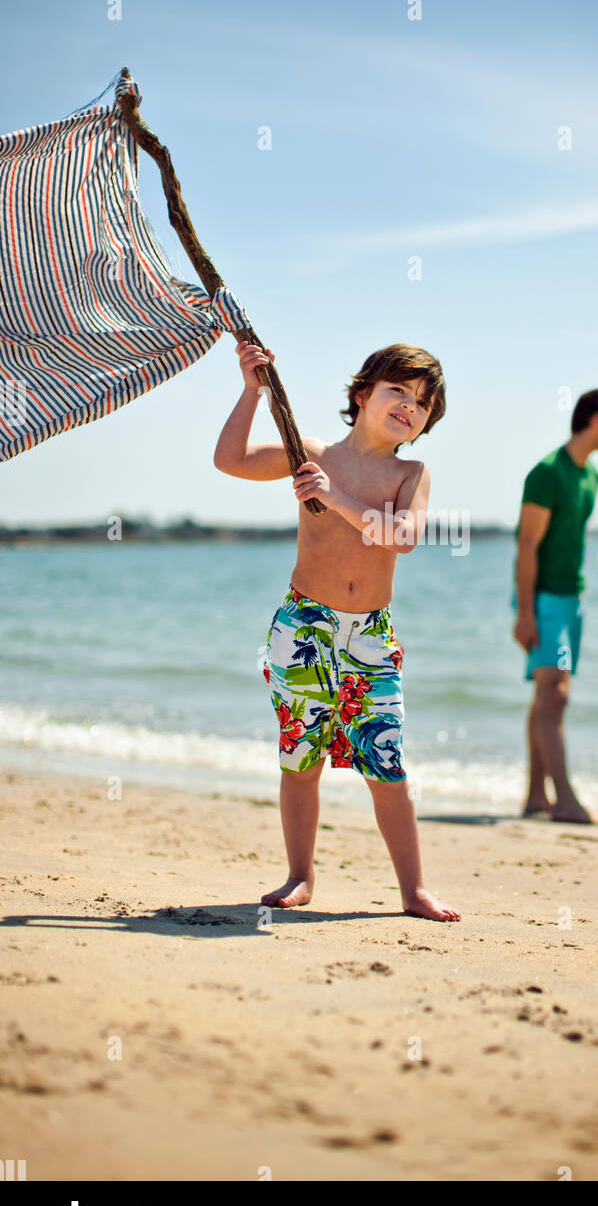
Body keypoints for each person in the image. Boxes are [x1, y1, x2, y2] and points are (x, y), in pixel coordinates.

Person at [214, 340, 460, 921]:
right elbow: (231, 459)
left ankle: (413, 890)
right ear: (362, 393)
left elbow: (401, 536)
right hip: (305, 624)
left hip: (370, 636)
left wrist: (331, 494)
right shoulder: (312, 451)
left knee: (388, 762)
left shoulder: (411, 473)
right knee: (301, 758)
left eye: (422, 403)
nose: (408, 405)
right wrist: (252, 392)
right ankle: (300, 876)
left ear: (425, 424)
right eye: (397, 390)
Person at [513, 388, 598, 822]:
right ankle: (564, 799)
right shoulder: (546, 472)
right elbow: (526, 545)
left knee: (549, 697)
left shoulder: (591, 476)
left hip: (572, 597)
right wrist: (524, 613)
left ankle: (536, 797)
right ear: (597, 419)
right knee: (554, 694)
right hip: (543, 599)